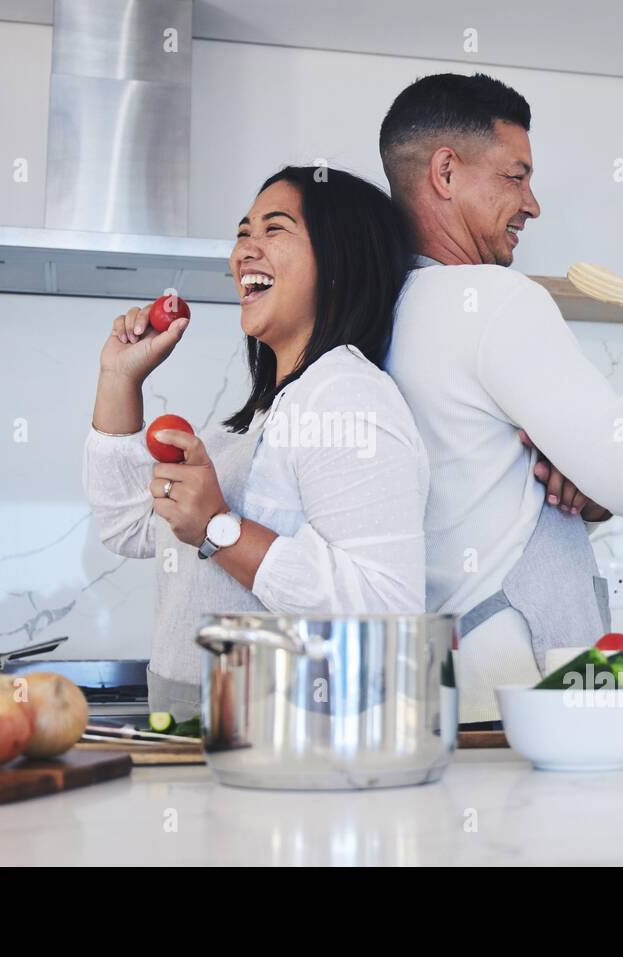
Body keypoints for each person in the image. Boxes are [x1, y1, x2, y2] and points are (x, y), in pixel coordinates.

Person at [379, 73, 623, 725]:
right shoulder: (496, 302)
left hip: (436, 694)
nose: (533, 204)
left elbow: (489, 486)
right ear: (446, 171)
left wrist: (586, 490)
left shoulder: (380, 310)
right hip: (520, 703)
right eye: (515, 176)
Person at [83, 167, 429, 718]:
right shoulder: (259, 418)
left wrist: (220, 529)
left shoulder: (348, 396)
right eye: (244, 232)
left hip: (276, 744)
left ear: (339, 260)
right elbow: (126, 525)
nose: (245, 249)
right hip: (195, 725)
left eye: (274, 230)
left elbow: (383, 608)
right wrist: (119, 379)